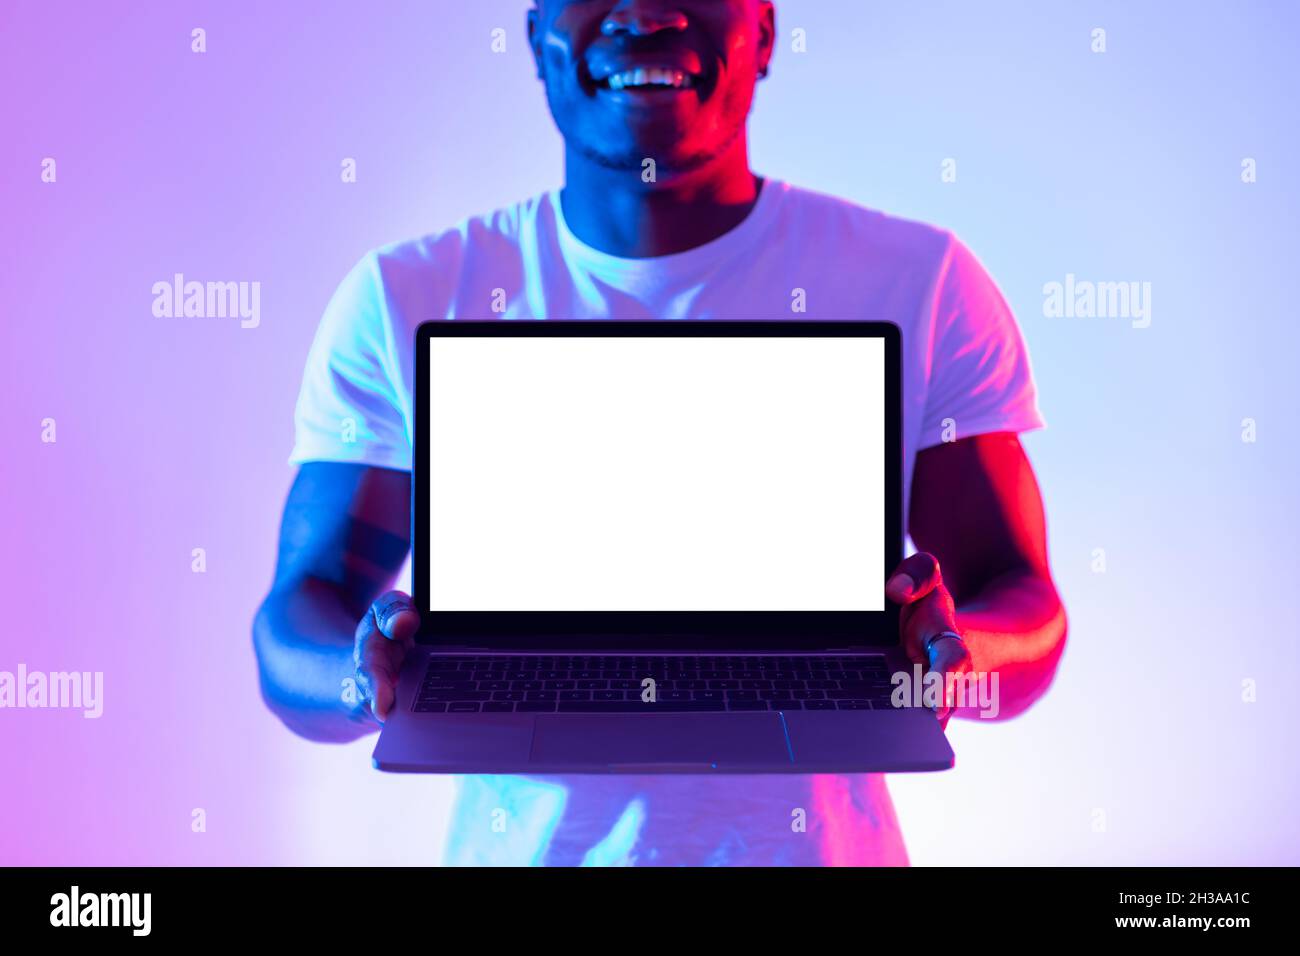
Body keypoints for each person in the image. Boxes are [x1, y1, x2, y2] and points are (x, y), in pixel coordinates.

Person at [253, 0, 1067, 866]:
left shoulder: (922, 281)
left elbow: (1023, 601)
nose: (644, 11)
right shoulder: (402, 298)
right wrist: (362, 674)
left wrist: (953, 655)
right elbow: (295, 621)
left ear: (763, 32)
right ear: (536, 36)